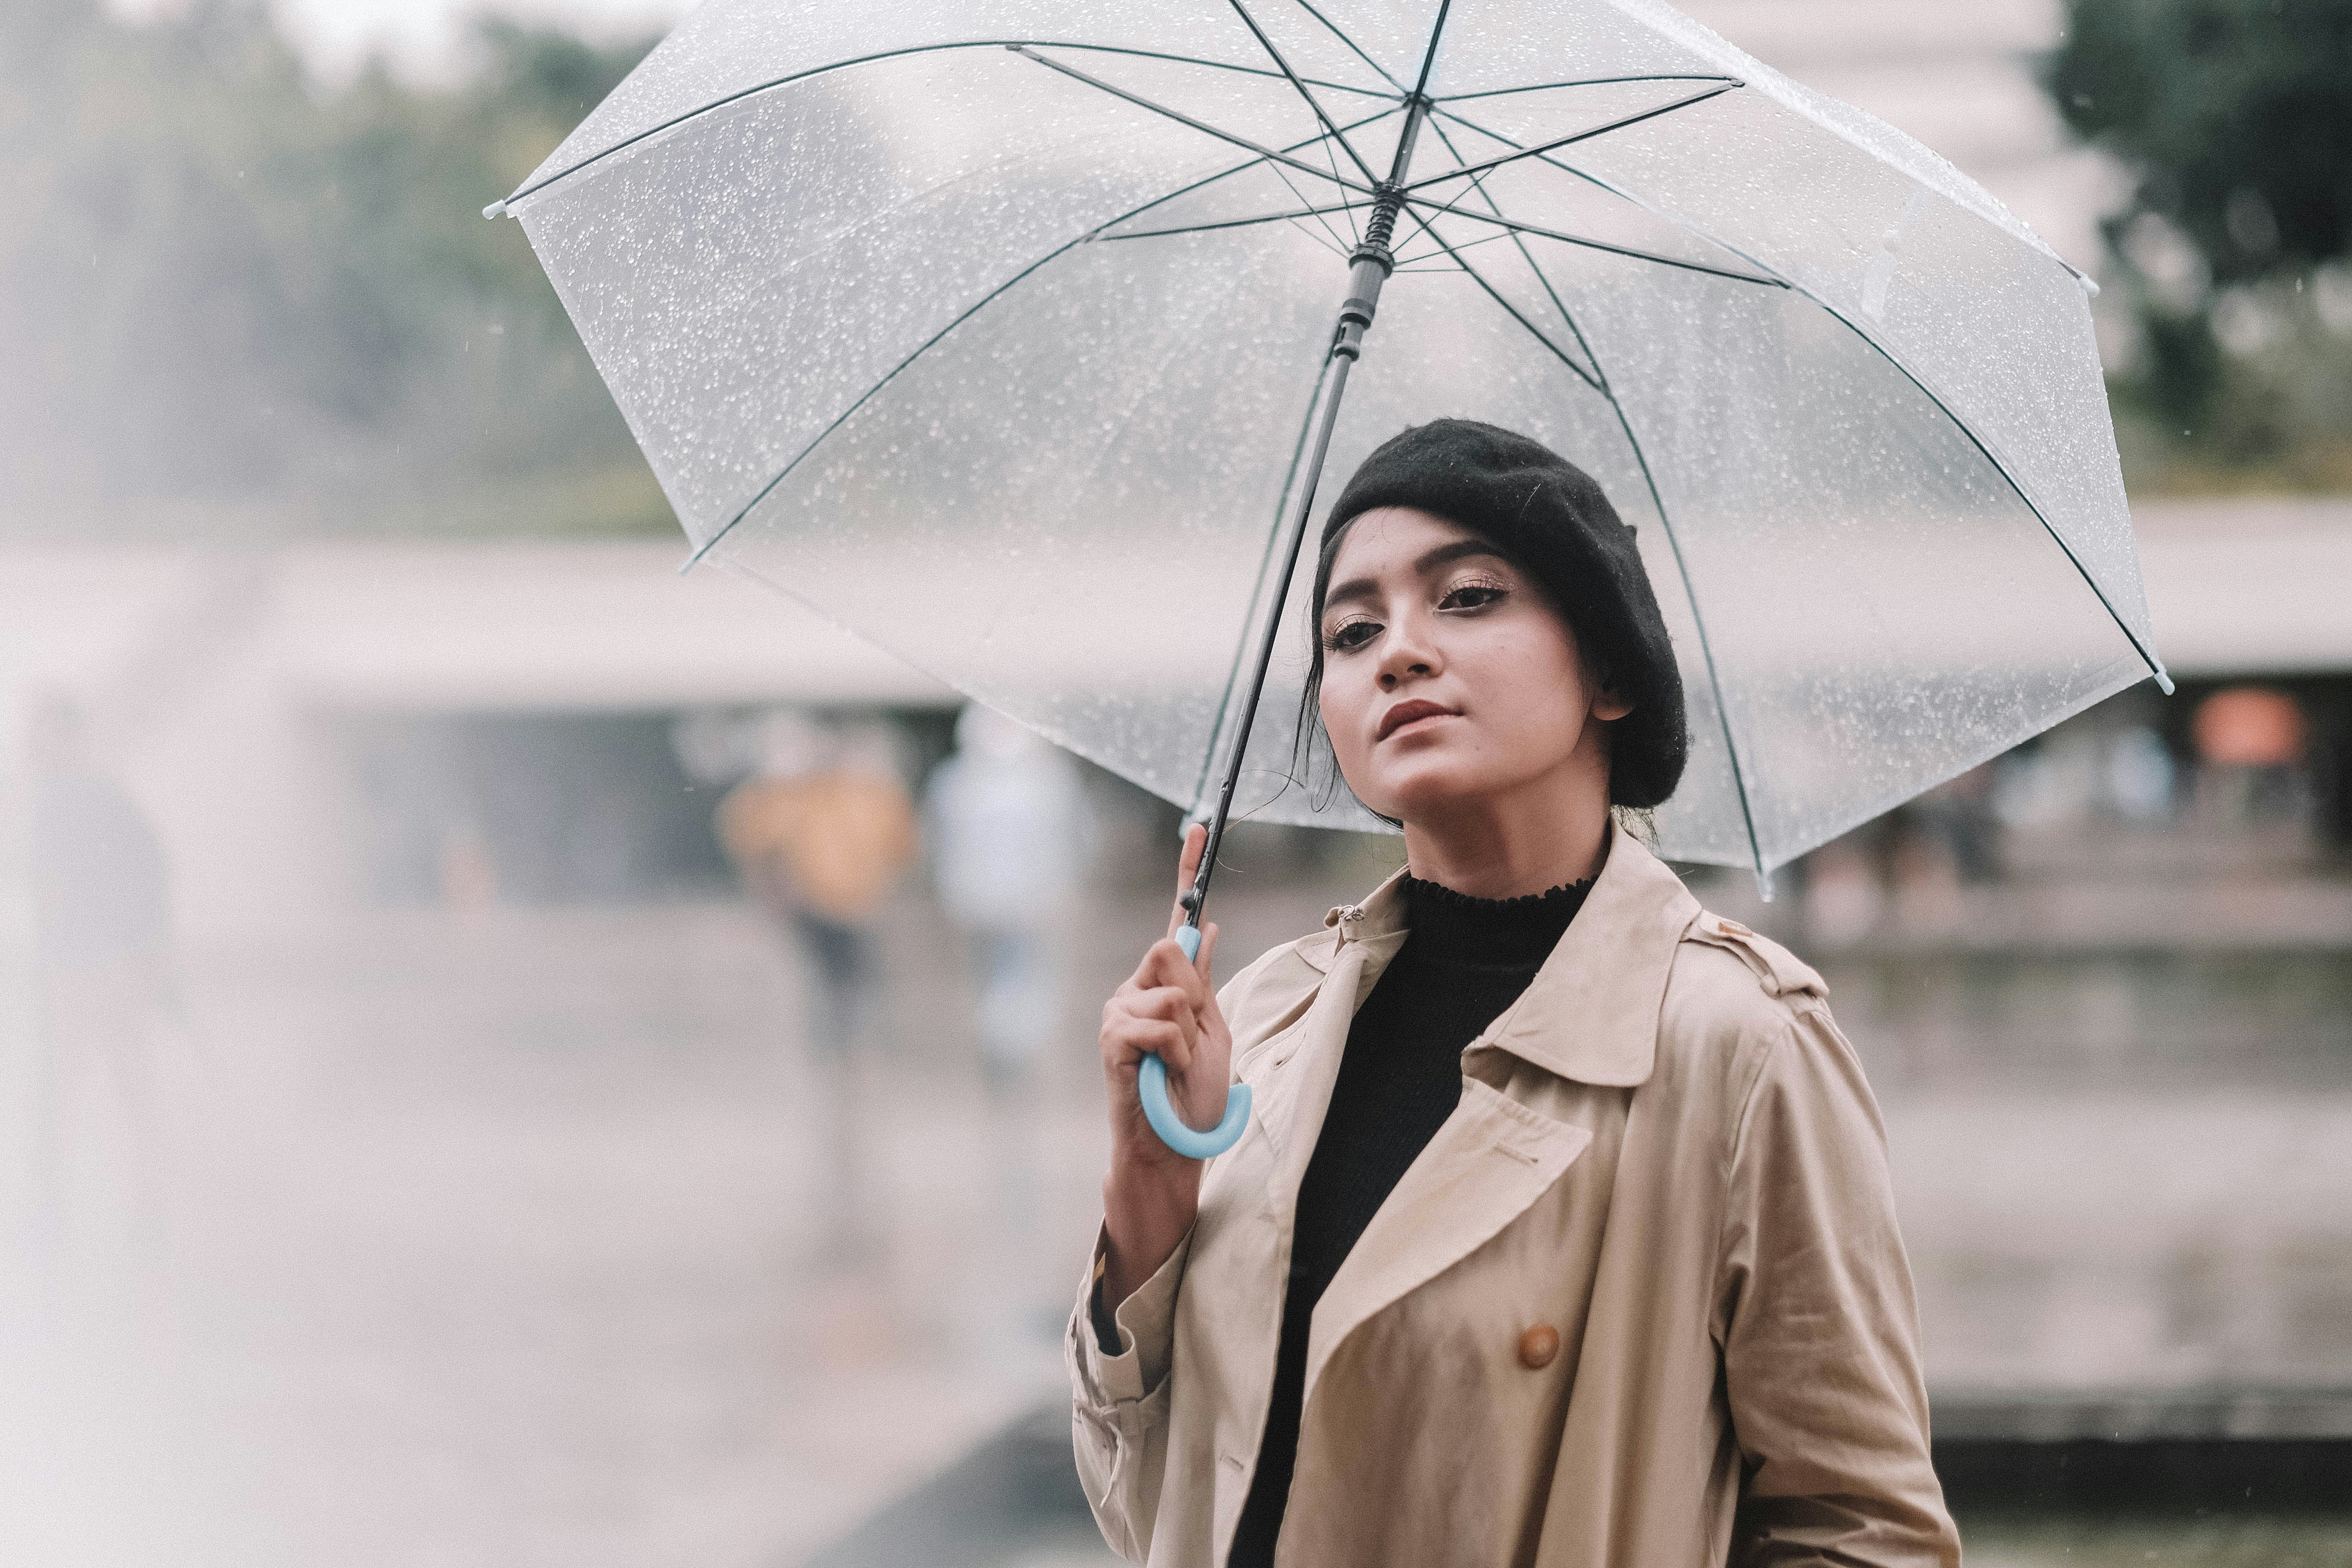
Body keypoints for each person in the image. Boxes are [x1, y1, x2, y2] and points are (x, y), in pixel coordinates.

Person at [1070, 421, 1959, 1566]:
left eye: (1469, 598)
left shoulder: (1737, 1045)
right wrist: (1151, 1183)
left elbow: (1864, 1532)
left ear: (1609, 673)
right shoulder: (1262, 1020)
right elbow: (1150, 1505)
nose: (1398, 652)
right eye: (1351, 631)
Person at [717, 710, 918, 1256]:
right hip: (826, 908)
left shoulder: (851, 795)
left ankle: (848, 1052)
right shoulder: (810, 795)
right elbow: (752, 830)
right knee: (839, 987)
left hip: (851, 907)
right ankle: (843, 1052)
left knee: (847, 986)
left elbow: (895, 844)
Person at [924, 703, 1092, 1088]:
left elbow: (940, 842)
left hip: (991, 903)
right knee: (1019, 977)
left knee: (1001, 976)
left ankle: (1005, 1050)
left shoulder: (956, 782)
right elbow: (1078, 840)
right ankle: (1013, 1049)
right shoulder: (1049, 781)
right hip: (1017, 904)